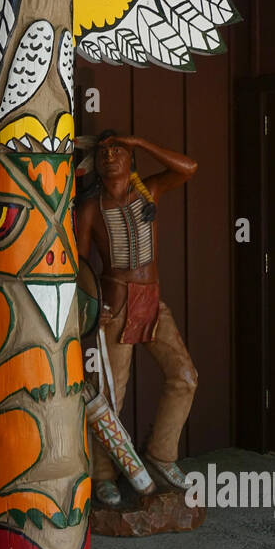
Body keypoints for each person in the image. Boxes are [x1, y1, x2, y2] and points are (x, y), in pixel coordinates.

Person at [74, 130, 198, 507]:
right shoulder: (90, 207)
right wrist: (95, 304)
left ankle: (161, 456)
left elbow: (189, 168)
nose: (111, 157)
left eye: (119, 151)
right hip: (116, 304)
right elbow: (77, 260)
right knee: (110, 396)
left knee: (185, 377)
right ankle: (103, 476)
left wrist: (141, 143)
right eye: (104, 152)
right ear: (94, 162)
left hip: (152, 300)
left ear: (131, 159)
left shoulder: (149, 192)